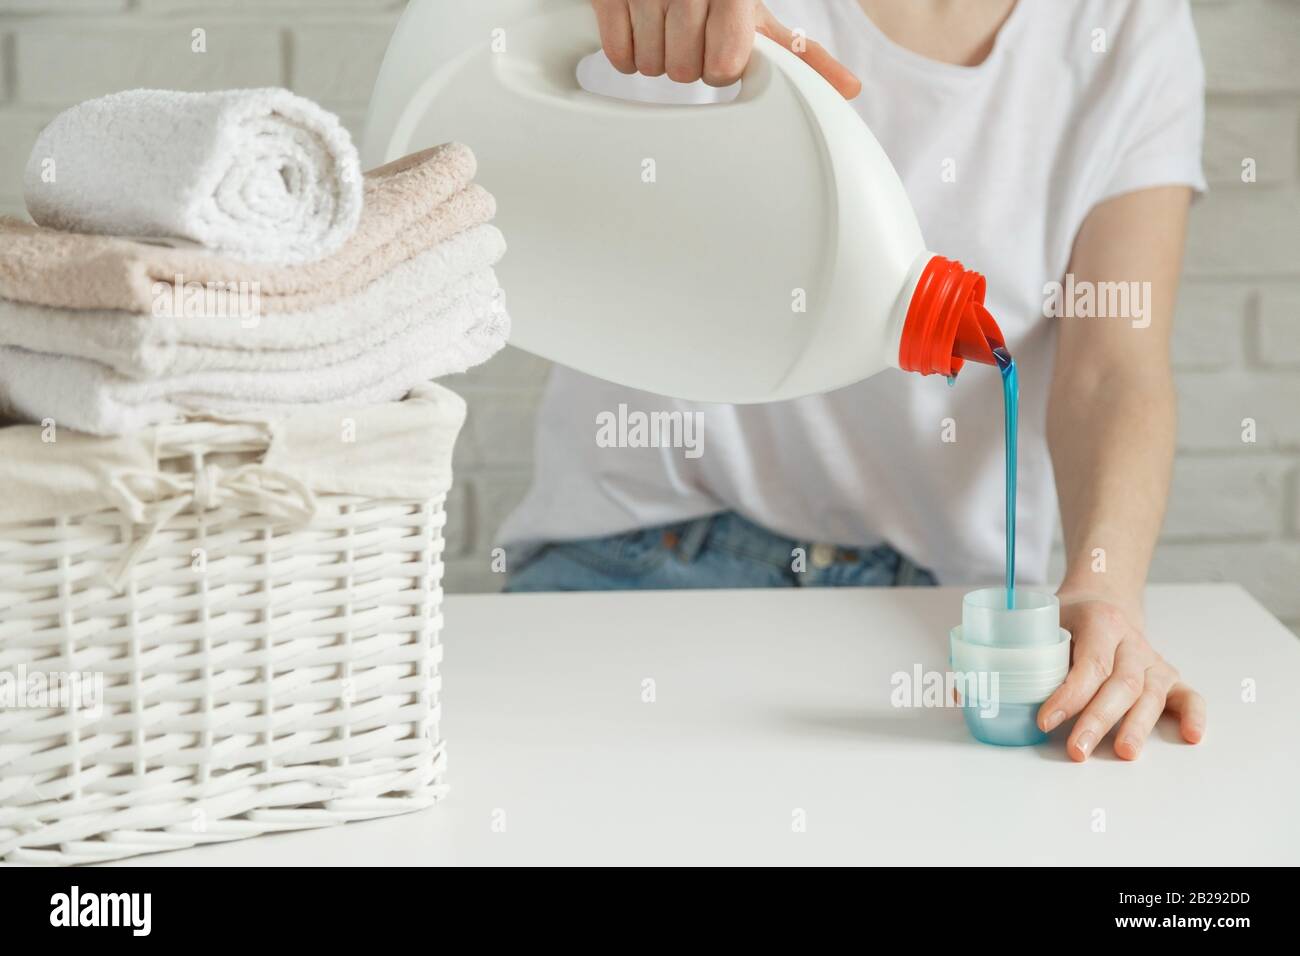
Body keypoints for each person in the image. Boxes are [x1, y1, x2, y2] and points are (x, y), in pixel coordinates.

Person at [498, 0, 1207, 762]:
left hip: (943, 610)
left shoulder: (1126, 24)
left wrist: (1104, 585)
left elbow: (1112, 371)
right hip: (632, 558)